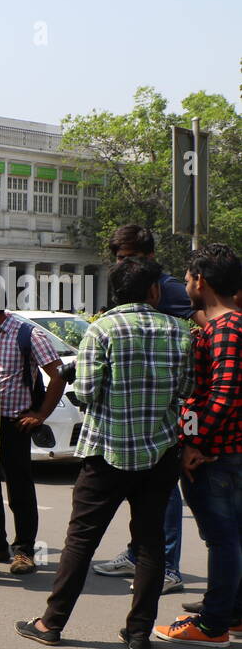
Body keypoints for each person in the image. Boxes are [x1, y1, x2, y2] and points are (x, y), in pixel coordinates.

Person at [14, 257, 192, 649]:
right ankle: (139, 633)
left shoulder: (102, 329)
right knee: (149, 544)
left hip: (106, 452)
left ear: (116, 292)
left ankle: (51, 623)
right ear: (154, 291)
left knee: (81, 541)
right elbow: (186, 388)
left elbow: (88, 391)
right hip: (160, 451)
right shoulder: (180, 330)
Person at [90, 224, 200, 591]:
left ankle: (168, 567)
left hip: (167, 410)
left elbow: (204, 325)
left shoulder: (166, 288)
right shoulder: (134, 291)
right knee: (147, 496)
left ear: (148, 258)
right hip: (138, 411)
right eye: (119, 259)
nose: (123, 265)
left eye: (129, 259)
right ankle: (139, 554)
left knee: (165, 494)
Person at [154, 244, 242, 648]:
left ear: (201, 281)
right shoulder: (227, 326)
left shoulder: (225, 329)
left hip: (219, 455)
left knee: (222, 539)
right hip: (226, 450)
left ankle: (212, 625)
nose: (185, 284)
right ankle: (230, 611)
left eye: (188, 278)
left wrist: (196, 443)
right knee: (232, 537)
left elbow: (222, 396)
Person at [0, 281, 65, 574]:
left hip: (14, 425)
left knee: (19, 490)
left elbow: (58, 375)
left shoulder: (28, 334)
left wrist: (41, 414)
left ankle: (24, 551)